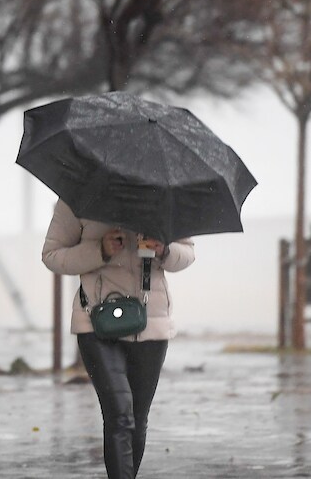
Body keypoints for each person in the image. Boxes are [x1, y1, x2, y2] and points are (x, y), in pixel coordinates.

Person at [41, 199, 195, 479]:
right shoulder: (79, 196)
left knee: (136, 418)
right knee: (119, 416)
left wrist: (164, 249)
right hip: (95, 321)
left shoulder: (164, 196)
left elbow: (188, 253)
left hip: (151, 322)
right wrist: (100, 249)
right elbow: (52, 255)